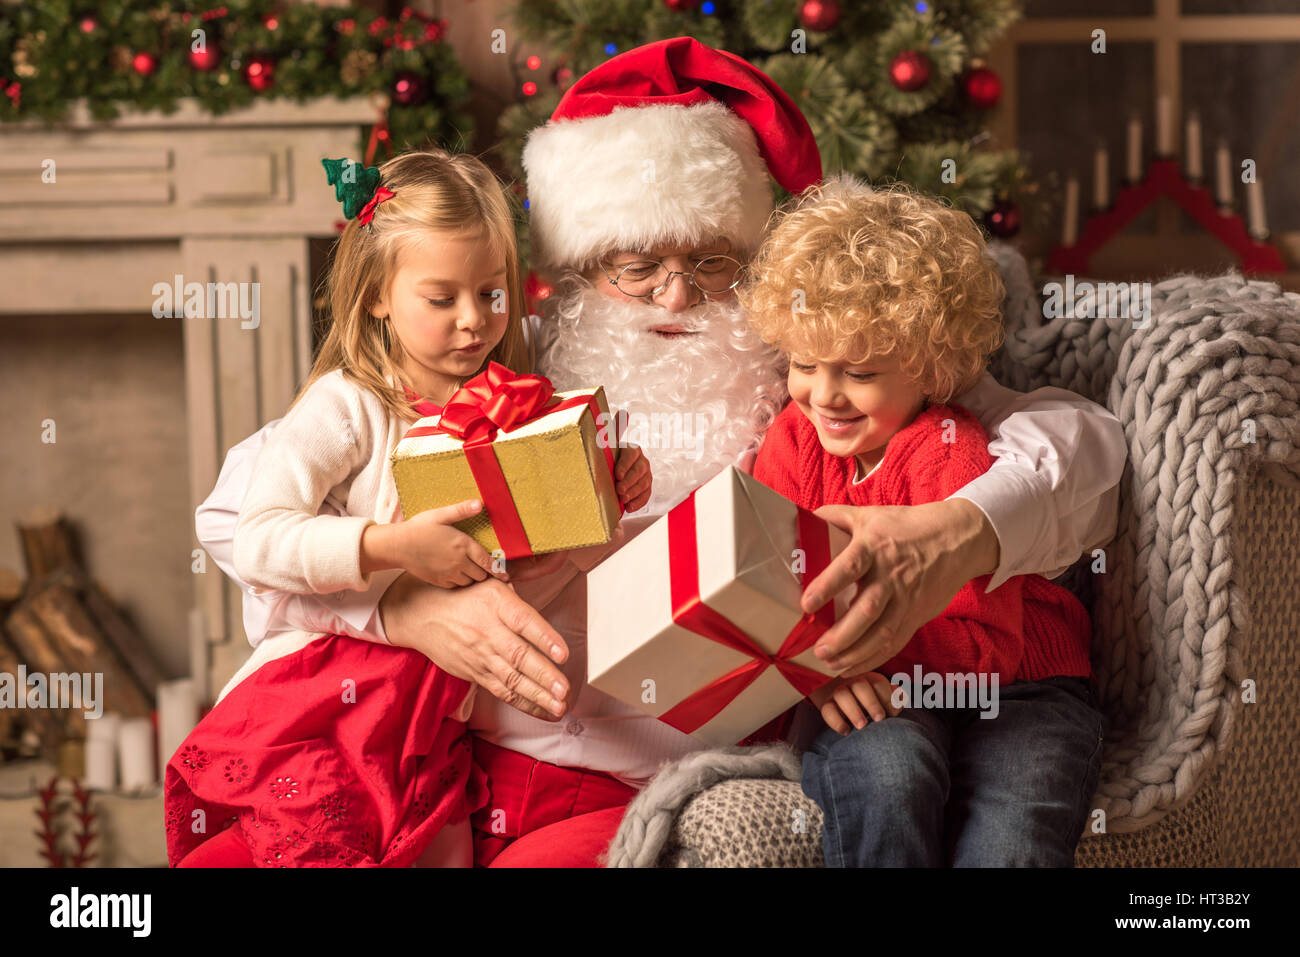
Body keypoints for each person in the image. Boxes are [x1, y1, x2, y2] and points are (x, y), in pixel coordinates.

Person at [195, 38, 1126, 866]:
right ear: (577, 271)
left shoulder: (818, 367)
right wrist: (404, 611)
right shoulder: (508, 359)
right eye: (635, 265)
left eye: (712, 262)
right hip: (447, 755)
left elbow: (1077, 446)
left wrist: (958, 531)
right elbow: (248, 526)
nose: (675, 299)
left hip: (634, 764)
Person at [165, 147, 649, 868]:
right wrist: (389, 548)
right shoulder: (350, 407)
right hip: (333, 698)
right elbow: (259, 535)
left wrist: (607, 484)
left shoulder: (513, 399)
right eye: (442, 297)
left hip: (436, 718)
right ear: (377, 298)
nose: (473, 321)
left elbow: (532, 563)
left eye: (491, 293)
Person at [745, 177, 1104, 866]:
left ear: (929, 366)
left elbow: (987, 645)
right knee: (887, 771)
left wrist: (844, 654)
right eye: (804, 363)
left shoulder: (950, 447)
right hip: (883, 682)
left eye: (859, 371)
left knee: (1012, 829)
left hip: (1020, 675)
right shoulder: (791, 441)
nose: (824, 395)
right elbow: (763, 588)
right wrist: (816, 672)